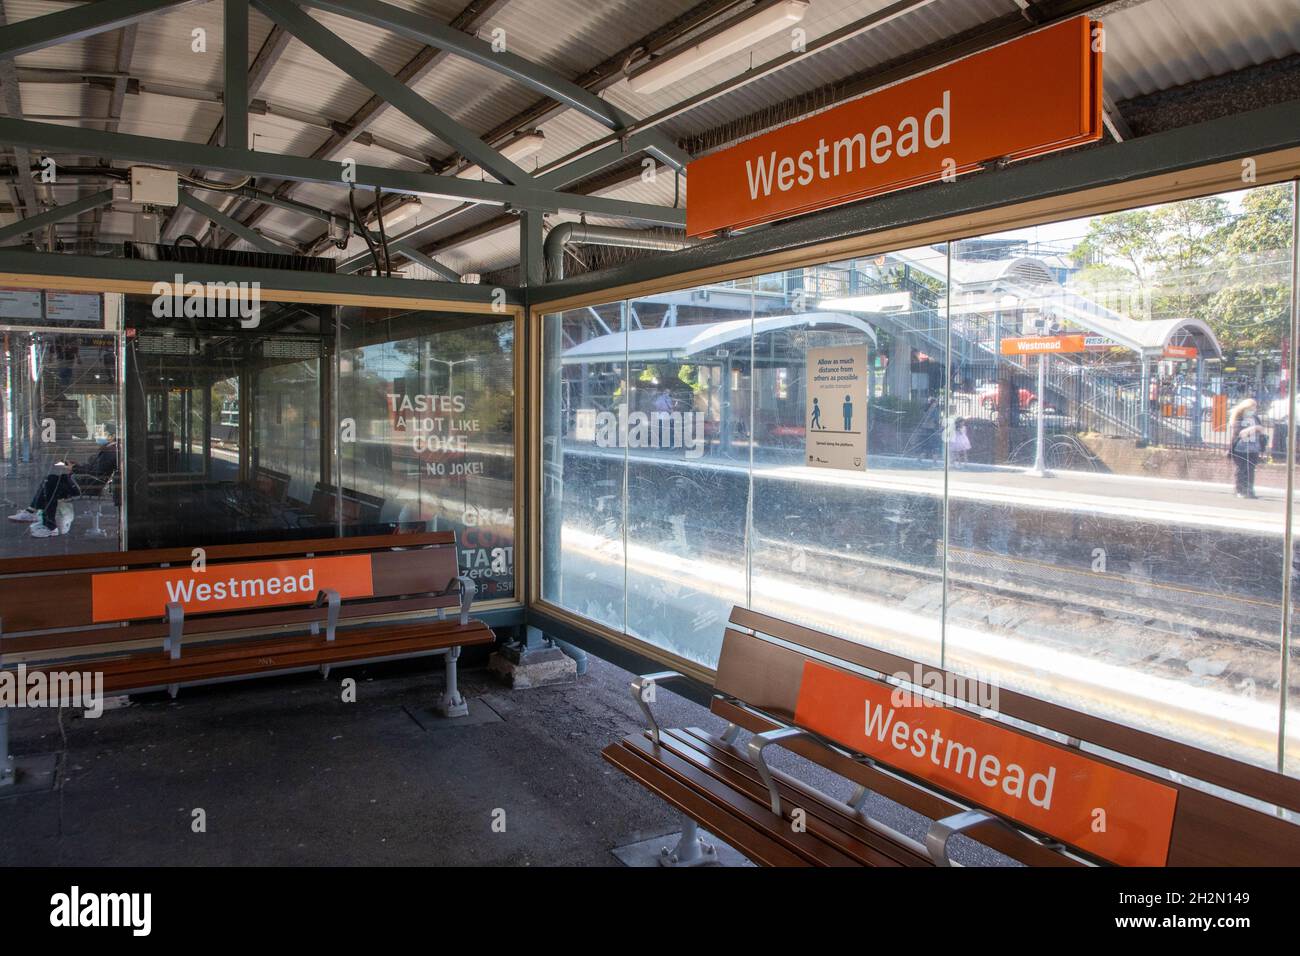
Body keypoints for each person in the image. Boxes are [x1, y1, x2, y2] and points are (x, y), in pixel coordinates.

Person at [9, 423, 118, 537]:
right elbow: (93, 469)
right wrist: (75, 466)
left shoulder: (109, 453)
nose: (97, 435)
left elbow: (96, 473)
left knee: (51, 485)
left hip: (86, 486)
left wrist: (74, 468)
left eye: (101, 433)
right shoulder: (107, 450)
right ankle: (36, 515)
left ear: (111, 436)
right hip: (83, 482)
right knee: (50, 481)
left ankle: (43, 521)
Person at [1227, 398, 1267, 499]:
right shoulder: (1239, 417)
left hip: (1254, 448)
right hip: (1241, 448)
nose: (1253, 410)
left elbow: (1261, 430)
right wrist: (1255, 428)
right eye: (1251, 408)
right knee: (1242, 470)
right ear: (1245, 408)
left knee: (1251, 470)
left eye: (1255, 407)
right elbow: (1240, 433)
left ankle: (1249, 491)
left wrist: (1261, 434)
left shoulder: (1256, 418)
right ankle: (1240, 490)